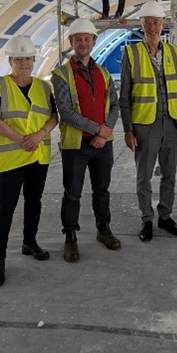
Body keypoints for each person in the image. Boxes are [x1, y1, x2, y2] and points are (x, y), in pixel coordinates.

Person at [0, 35, 58, 287]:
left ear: (34, 60)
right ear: (10, 61)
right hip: (10, 158)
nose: (23, 63)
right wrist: (21, 139)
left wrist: (38, 135)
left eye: (27, 58)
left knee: (34, 202)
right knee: (5, 208)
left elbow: (54, 117)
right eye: (18, 59)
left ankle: (30, 242)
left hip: (37, 155)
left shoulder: (44, 87)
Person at [51, 18, 122, 263]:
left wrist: (104, 132)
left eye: (87, 39)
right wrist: (98, 130)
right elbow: (66, 112)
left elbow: (115, 105)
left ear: (94, 41)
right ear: (71, 42)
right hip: (76, 146)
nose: (83, 43)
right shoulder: (61, 75)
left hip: (103, 145)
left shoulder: (103, 72)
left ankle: (104, 229)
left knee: (102, 190)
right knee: (72, 193)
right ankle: (70, 236)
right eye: (78, 39)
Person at [120, 0, 177, 241]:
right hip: (145, 125)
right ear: (142, 25)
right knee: (144, 175)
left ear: (163, 24)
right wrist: (128, 130)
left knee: (169, 173)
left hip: (171, 124)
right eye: (147, 23)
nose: (152, 27)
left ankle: (165, 216)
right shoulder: (131, 53)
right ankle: (147, 218)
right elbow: (124, 96)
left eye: (156, 22)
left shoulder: (173, 52)